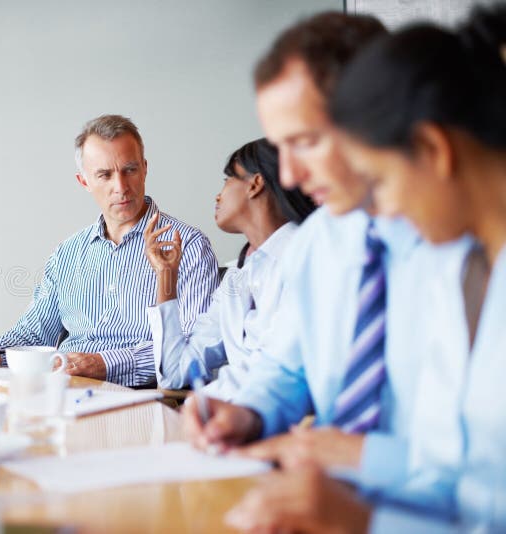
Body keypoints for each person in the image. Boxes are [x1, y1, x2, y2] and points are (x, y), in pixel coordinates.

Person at [225, 6, 506, 532]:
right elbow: (462, 473)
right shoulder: (330, 245)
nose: (387, 211)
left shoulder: (458, 259)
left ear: (428, 147)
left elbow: (476, 494)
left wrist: (362, 505)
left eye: (379, 176)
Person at [181, 10, 454, 490]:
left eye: (305, 142)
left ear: (379, 117)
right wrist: (247, 415)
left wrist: (359, 457)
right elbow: (290, 365)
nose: (289, 178)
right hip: (325, 497)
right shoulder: (320, 242)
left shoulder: (463, 247)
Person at [0, 115, 219, 387]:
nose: (121, 187)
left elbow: (189, 346)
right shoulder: (67, 253)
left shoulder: (189, 246)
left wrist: (104, 364)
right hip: (64, 391)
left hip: (142, 396)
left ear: (145, 169)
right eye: (104, 175)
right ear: (84, 181)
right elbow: (34, 334)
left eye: (130, 170)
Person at [143, 138, 315, 398]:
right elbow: (176, 373)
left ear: (255, 184)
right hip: (237, 417)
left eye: (227, 179)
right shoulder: (237, 275)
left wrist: (209, 400)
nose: (218, 194)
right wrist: (167, 276)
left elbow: (273, 370)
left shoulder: (305, 259)